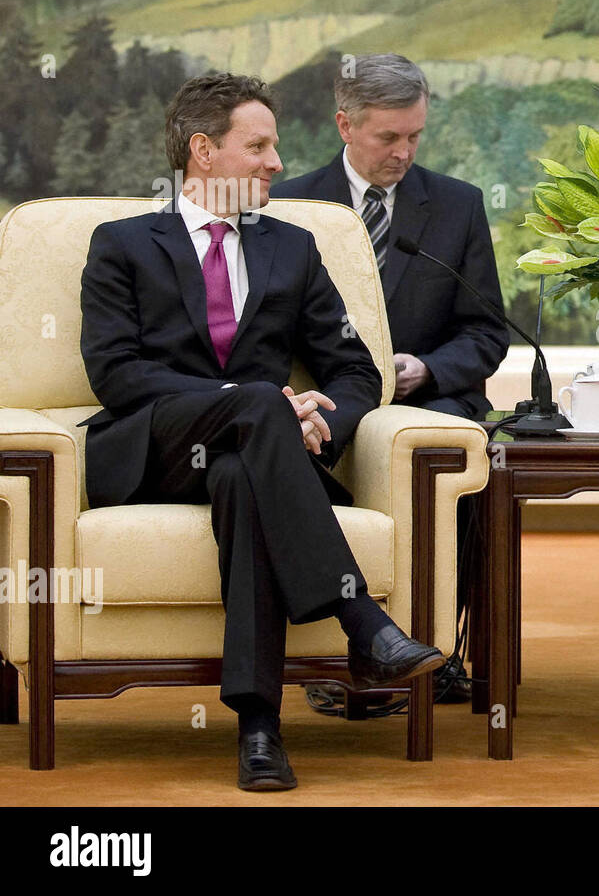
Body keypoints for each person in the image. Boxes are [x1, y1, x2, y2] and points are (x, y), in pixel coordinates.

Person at [79, 73, 447, 791]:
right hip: (153, 449)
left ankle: (259, 730)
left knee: (243, 473)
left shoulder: (293, 248)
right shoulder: (122, 244)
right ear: (202, 152)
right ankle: (362, 619)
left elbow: (353, 370)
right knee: (255, 406)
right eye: (258, 146)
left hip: (254, 456)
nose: (277, 162)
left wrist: (317, 421)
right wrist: (254, 401)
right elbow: (116, 376)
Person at [273, 53, 508, 705]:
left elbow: (486, 332)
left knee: (456, 449)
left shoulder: (458, 206)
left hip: (429, 397)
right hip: (325, 398)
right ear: (345, 125)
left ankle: (441, 650)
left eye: (415, 136)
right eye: (388, 137)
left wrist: (426, 368)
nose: (403, 152)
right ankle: (334, 658)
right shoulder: (289, 205)